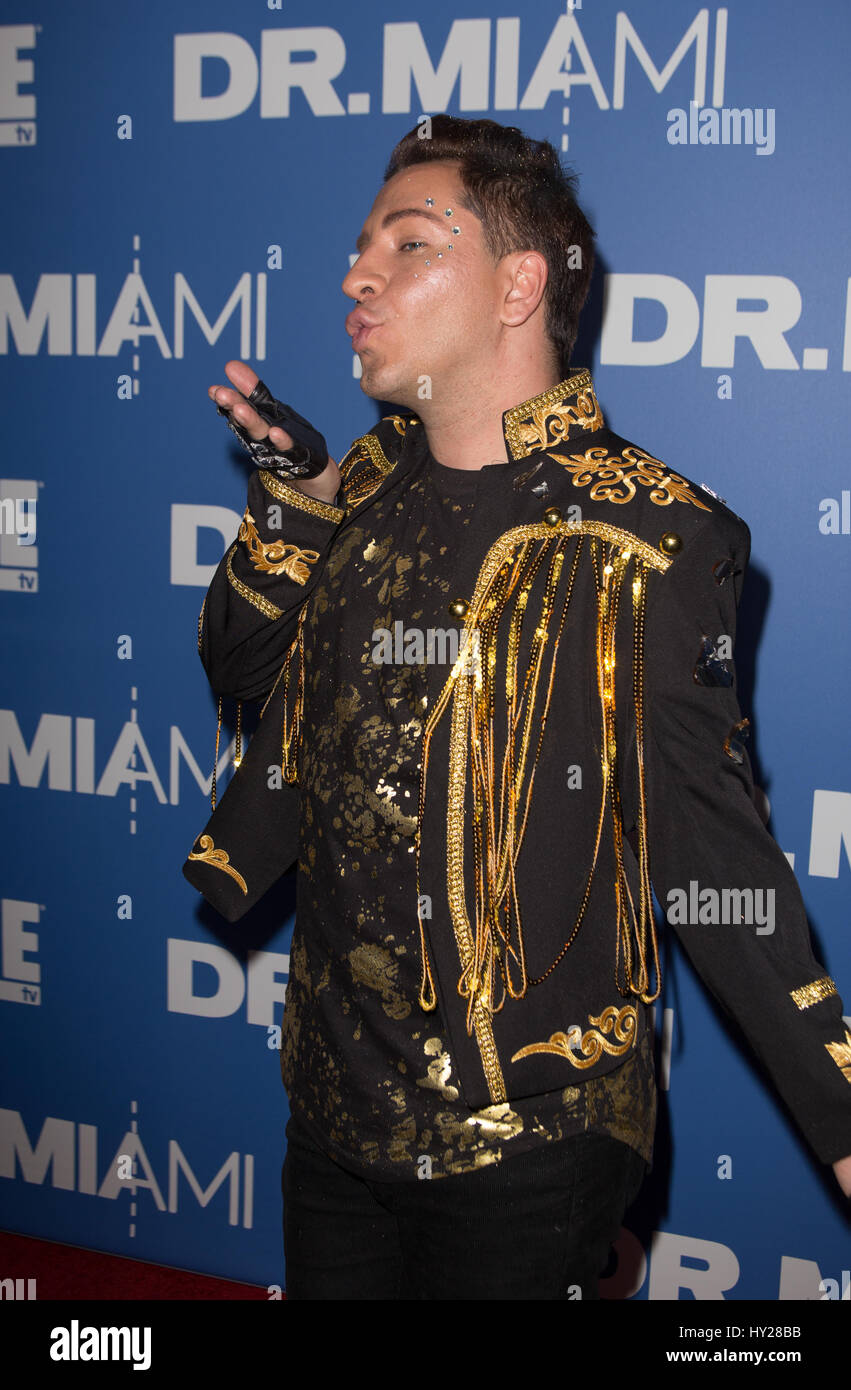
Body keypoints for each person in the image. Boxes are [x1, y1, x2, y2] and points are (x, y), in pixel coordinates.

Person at [184, 116, 851, 1300]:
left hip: (531, 1131)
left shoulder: (650, 535)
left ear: (517, 283)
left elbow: (707, 855)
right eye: (358, 246)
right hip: (330, 1110)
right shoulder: (361, 484)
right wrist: (292, 507)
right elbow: (238, 676)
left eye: (408, 242)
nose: (356, 273)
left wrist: (837, 1115)